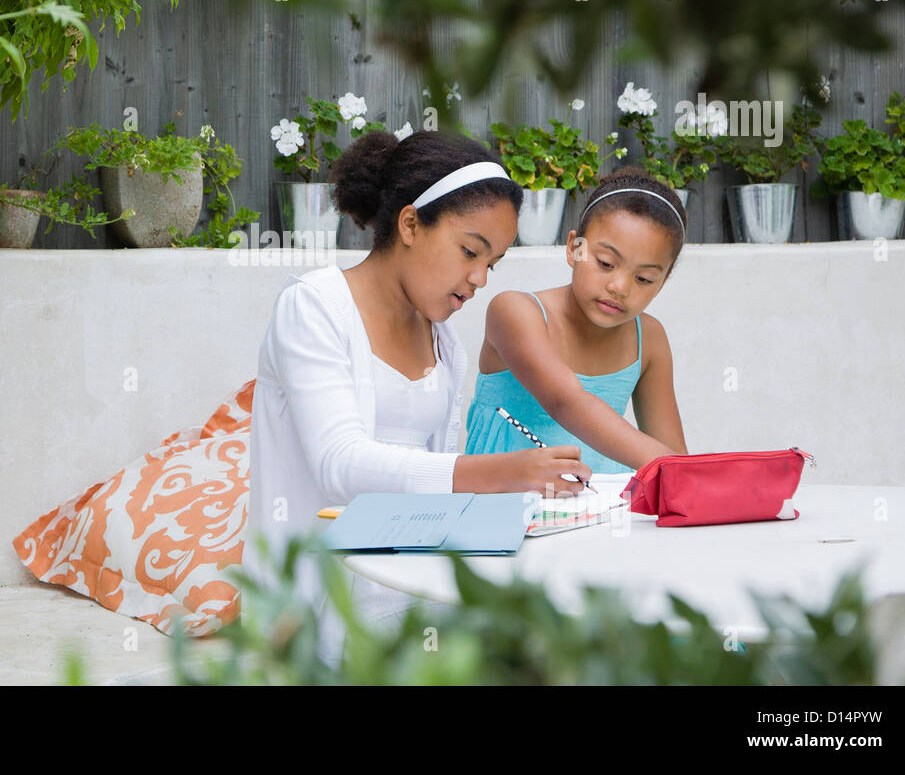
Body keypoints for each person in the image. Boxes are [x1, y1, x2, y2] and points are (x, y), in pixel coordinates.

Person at [241, 129, 589, 669]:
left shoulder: (444, 342)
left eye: (491, 264)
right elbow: (341, 464)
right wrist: (503, 471)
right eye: (470, 251)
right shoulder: (312, 308)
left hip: (410, 611)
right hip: (310, 617)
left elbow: (432, 496)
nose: (478, 278)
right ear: (409, 224)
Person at [465, 165, 689, 474]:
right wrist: (682, 470)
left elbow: (674, 456)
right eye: (606, 263)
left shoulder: (648, 338)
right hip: (505, 509)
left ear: (663, 281)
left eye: (645, 278)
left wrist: (696, 478)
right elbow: (565, 402)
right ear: (574, 248)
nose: (619, 288)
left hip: (609, 511)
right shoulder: (514, 312)